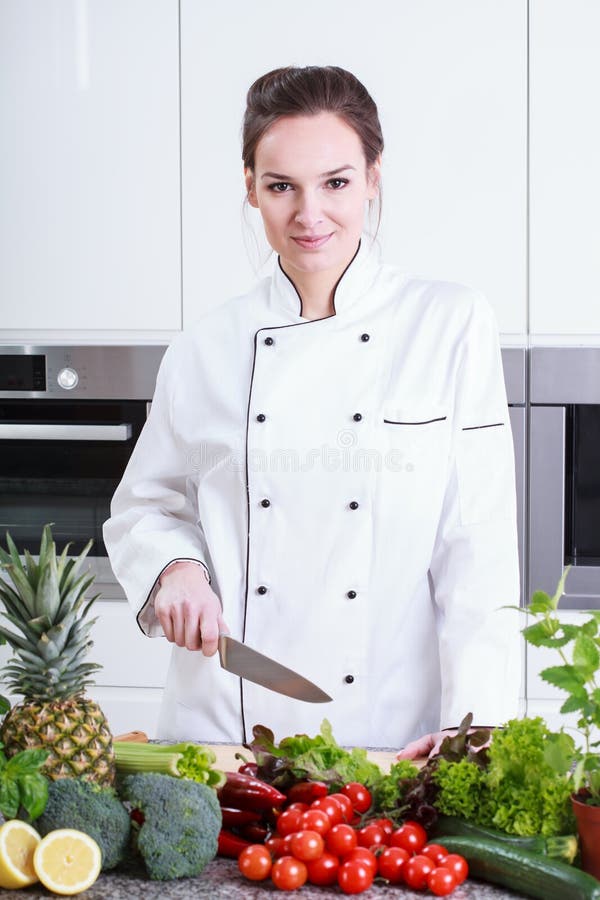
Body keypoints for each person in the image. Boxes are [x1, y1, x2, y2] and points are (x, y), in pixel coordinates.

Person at [103, 65, 521, 755]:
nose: (309, 214)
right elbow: (145, 506)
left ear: (373, 176)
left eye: (335, 182)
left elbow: (475, 548)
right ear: (250, 189)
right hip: (222, 738)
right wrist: (174, 569)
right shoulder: (204, 348)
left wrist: (477, 729)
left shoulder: (448, 324)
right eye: (280, 187)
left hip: (388, 737)